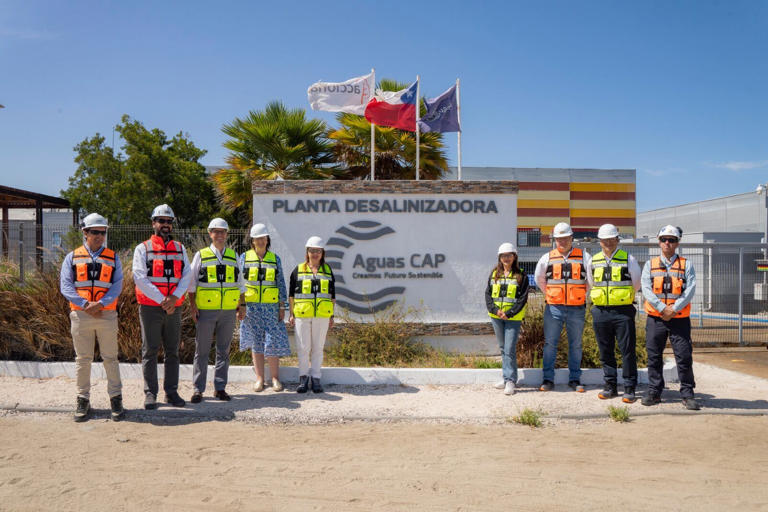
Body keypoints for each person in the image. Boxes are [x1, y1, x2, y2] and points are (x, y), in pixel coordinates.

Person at [59, 213, 124, 422]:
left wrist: (101, 304)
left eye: (102, 232)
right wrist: (86, 304)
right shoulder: (72, 257)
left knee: (110, 358)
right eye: (95, 232)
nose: (99, 236)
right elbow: (65, 285)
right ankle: (82, 399)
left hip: (106, 314)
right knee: (83, 359)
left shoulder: (113, 258)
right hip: (81, 314)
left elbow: (117, 285)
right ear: (85, 232)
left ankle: (116, 398)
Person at [133, 204, 192, 409]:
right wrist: (162, 300)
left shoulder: (180, 248)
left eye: (169, 222)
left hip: (174, 307)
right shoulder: (143, 248)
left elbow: (187, 275)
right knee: (149, 350)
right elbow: (139, 277)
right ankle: (150, 394)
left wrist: (174, 298)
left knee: (172, 351)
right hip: (150, 307)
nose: (165, 225)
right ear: (153, 223)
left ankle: (171, 392)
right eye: (161, 221)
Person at [641, 225, 699, 410]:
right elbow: (646, 289)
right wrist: (662, 308)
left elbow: (690, 289)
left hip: (679, 318)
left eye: (672, 240)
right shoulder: (650, 265)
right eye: (664, 239)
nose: (667, 243)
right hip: (655, 318)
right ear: (659, 241)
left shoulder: (686, 264)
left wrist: (673, 308)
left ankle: (687, 394)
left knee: (683, 357)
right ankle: (654, 392)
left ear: (678, 242)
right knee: (654, 356)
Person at [187, 218, 245, 403]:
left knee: (223, 351)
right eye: (216, 232)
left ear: (227, 234)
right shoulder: (201, 255)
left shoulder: (233, 256)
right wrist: (193, 306)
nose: (219, 235)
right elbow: (191, 283)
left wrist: (241, 306)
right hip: (206, 311)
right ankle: (198, 389)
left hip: (228, 311)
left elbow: (240, 283)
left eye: (223, 232)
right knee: (202, 350)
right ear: (210, 234)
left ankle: (220, 388)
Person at [587, 224, 642, 403]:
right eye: (605, 240)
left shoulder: (628, 259)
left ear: (618, 240)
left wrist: (621, 298)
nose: (608, 243)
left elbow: (636, 283)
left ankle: (629, 388)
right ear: (599, 242)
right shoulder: (593, 261)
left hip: (623, 311)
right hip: (600, 311)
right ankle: (610, 386)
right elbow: (591, 283)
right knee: (605, 351)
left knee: (627, 350)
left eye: (612, 239)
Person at [534, 222, 591, 392]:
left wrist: (579, 294)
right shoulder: (547, 258)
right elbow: (539, 279)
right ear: (554, 240)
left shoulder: (584, 257)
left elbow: (590, 281)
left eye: (565, 238)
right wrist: (551, 294)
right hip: (554, 308)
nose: (562, 242)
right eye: (559, 239)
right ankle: (547, 379)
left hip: (577, 308)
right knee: (550, 344)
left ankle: (575, 379)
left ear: (571, 238)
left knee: (576, 345)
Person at [239, 223, 290, 392]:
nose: (260, 241)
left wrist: (283, 306)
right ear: (252, 241)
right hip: (251, 307)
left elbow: (281, 283)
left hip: (271, 307)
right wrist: (241, 306)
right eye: (257, 238)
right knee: (256, 342)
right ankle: (260, 379)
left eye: (263, 238)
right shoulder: (244, 258)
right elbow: (240, 284)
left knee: (272, 343)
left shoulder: (275, 259)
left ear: (267, 240)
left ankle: (275, 378)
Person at [288, 236, 335, 394]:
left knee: (318, 348)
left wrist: (331, 316)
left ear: (322, 253)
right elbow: (291, 294)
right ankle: (303, 379)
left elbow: (332, 295)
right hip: (302, 315)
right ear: (307, 252)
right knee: (303, 348)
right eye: (312, 250)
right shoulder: (298, 270)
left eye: (318, 251)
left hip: (322, 316)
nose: (315, 253)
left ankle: (316, 379)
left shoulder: (328, 271)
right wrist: (292, 314)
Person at [485, 242, 529, 395]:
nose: (506, 258)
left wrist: (508, 313)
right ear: (500, 257)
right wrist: (496, 310)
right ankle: (507, 379)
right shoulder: (494, 274)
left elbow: (522, 299)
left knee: (509, 349)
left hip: (513, 318)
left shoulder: (521, 275)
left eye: (509, 255)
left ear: (514, 256)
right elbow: (488, 295)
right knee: (504, 349)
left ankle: (510, 380)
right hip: (496, 317)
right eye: (503, 255)